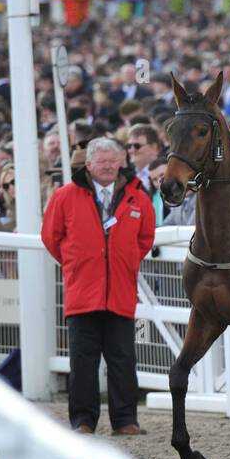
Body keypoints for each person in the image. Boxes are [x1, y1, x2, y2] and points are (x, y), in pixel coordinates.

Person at [42, 137, 156, 435]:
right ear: (88, 164)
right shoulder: (65, 196)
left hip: (120, 291)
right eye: (101, 161)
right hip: (82, 292)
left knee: (123, 359)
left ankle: (125, 421)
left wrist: (124, 261)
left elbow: (145, 238)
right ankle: (82, 421)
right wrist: (75, 263)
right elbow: (51, 237)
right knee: (82, 361)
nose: (107, 166)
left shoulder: (138, 197)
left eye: (112, 160)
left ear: (120, 163)